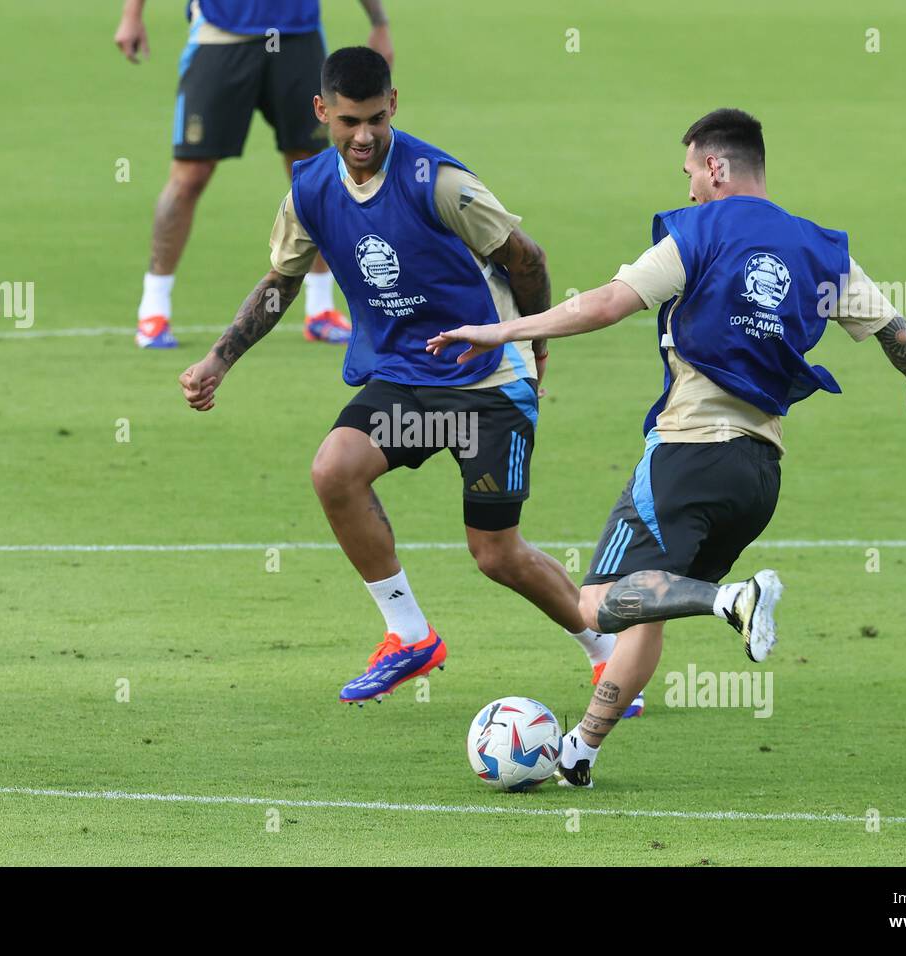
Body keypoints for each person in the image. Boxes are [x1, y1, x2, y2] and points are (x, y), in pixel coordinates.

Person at [428, 108, 906, 787]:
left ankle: (730, 601)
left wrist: (503, 332)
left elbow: (607, 303)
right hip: (759, 474)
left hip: (688, 454)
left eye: (689, 175)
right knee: (653, 601)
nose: (687, 192)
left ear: (715, 166)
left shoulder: (698, 232)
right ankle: (582, 749)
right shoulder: (821, 249)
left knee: (597, 602)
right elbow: (893, 330)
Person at [179, 47, 643, 712]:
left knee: (496, 555)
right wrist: (218, 359)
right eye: (347, 121)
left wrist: (534, 346)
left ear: (393, 104)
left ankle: (606, 656)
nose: (363, 135)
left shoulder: (440, 182)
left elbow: (527, 258)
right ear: (322, 113)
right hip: (405, 380)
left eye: (374, 118)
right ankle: (409, 633)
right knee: (334, 469)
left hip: (486, 381)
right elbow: (282, 282)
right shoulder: (310, 191)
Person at [116, 0, 394, 348]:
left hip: (298, 32)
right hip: (222, 30)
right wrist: (132, 15)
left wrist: (378, 22)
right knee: (190, 176)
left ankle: (321, 308)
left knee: (317, 171)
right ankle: (154, 308)